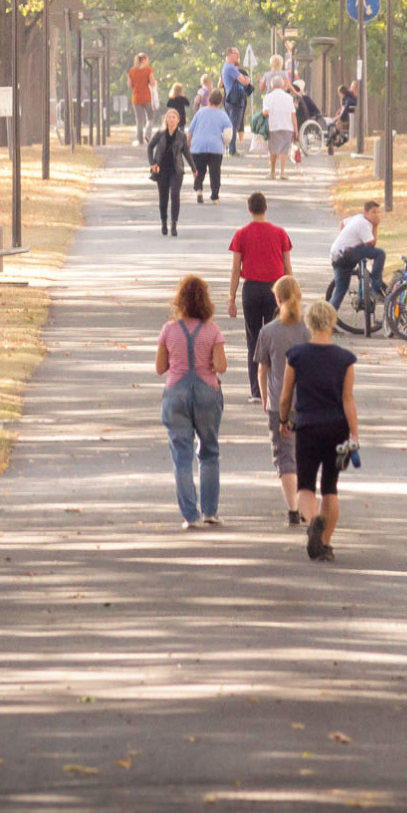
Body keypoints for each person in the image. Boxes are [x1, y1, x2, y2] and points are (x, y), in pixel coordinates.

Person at [279, 298, 359, 560]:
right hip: (337, 427)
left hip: (307, 426)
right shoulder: (345, 359)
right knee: (330, 488)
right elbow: (348, 398)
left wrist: (283, 420)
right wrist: (354, 433)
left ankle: (313, 521)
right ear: (332, 322)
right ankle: (324, 543)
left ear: (309, 323)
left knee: (305, 485)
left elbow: (286, 395)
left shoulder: (297, 356)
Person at [156, 274, 228, 529]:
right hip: (207, 392)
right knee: (209, 451)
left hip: (176, 393)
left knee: (182, 455)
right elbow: (221, 366)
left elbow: (160, 367)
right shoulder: (212, 330)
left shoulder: (169, 330)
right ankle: (210, 511)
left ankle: (190, 515)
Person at [253, 275, 308, 526]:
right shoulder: (308, 329)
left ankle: (294, 510)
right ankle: (309, 505)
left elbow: (262, 369)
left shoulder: (268, 331)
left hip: (279, 402)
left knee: (285, 456)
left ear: (277, 298)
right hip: (309, 402)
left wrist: (265, 397)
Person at [227, 191, 293, 399]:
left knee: (253, 339)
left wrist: (231, 297)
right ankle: (276, 387)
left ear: (249, 209)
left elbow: (236, 269)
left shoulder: (241, 234)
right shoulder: (280, 233)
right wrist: (291, 295)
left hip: (252, 289)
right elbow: (287, 266)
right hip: (276, 289)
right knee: (277, 337)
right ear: (266, 208)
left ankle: (256, 390)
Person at [327, 200, 386, 310]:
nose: (376, 215)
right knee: (380, 254)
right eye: (374, 212)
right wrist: (375, 226)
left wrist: (347, 238)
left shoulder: (358, 218)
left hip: (337, 254)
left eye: (378, 212)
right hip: (345, 254)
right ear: (366, 213)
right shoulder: (364, 224)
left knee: (340, 291)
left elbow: (342, 223)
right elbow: (371, 245)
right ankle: (375, 287)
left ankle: (326, 318)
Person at [148, 106, 191, 236]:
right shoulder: (160, 133)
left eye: (174, 117)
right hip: (161, 170)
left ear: (178, 120)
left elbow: (187, 154)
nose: (171, 120)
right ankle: (163, 222)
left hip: (176, 170)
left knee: (175, 195)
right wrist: (152, 163)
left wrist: (195, 170)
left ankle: (174, 224)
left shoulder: (182, 136)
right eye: (169, 117)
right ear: (166, 119)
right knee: (163, 197)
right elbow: (150, 147)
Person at [188, 86, 230, 203]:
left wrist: (188, 145)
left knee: (199, 170)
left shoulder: (200, 113)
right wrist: (225, 143)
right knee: (215, 172)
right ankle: (215, 196)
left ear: (209, 99)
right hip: (215, 147)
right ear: (220, 101)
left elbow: (190, 131)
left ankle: (199, 190)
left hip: (198, 147)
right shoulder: (223, 115)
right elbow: (228, 134)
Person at [260, 72, 297, 180]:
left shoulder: (268, 97)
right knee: (284, 150)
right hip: (287, 126)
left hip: (274, 126)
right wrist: (296, 129)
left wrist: (261, 114)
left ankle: (272, 172)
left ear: (271, 86)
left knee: (273, 149)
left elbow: (265, 112)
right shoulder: (289, 98)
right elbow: (293, 114)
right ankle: (282, 172)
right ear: (282, 85)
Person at [220, 47, 250, 156]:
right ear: (229, 55)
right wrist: (248, 79)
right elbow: (244, 81)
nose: (238, 55)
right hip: (235, 100)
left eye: (238, 53)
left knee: (231, 124)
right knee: (234, 124)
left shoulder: (225, 67)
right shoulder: (231, 68)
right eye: (235, 53)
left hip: (229, 99)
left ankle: (230, 148)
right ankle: (231, 149)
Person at [128, 52, 157, 143]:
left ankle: (139, 139)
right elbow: (152, 83)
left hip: (136, 98)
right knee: (150, 117)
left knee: (139, 119)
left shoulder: (132, 70)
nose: (148, 61)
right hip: (147, 97)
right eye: (147, 59)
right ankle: (148, 135)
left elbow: (129, 85)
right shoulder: (148, 70)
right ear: (143, 60)